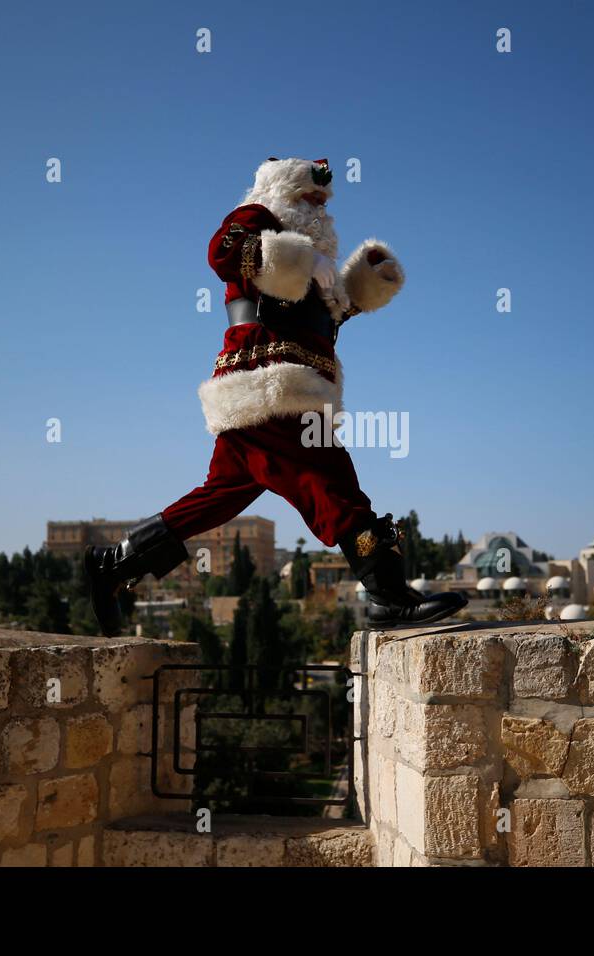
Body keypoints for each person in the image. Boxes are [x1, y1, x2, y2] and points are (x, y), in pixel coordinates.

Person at [84, 157, 467, 636]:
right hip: (270, 386)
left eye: (323, 200)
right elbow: (221, 254)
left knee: (219, 497)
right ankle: (386, 594)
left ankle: (115, 563)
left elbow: (315, 319)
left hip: (280, 390)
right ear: (284, 189)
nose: (319, 205)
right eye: (310, 195)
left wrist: (359, 287)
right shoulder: (258, 215)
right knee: (333, 484)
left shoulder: (308, 256)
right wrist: (306, 259)